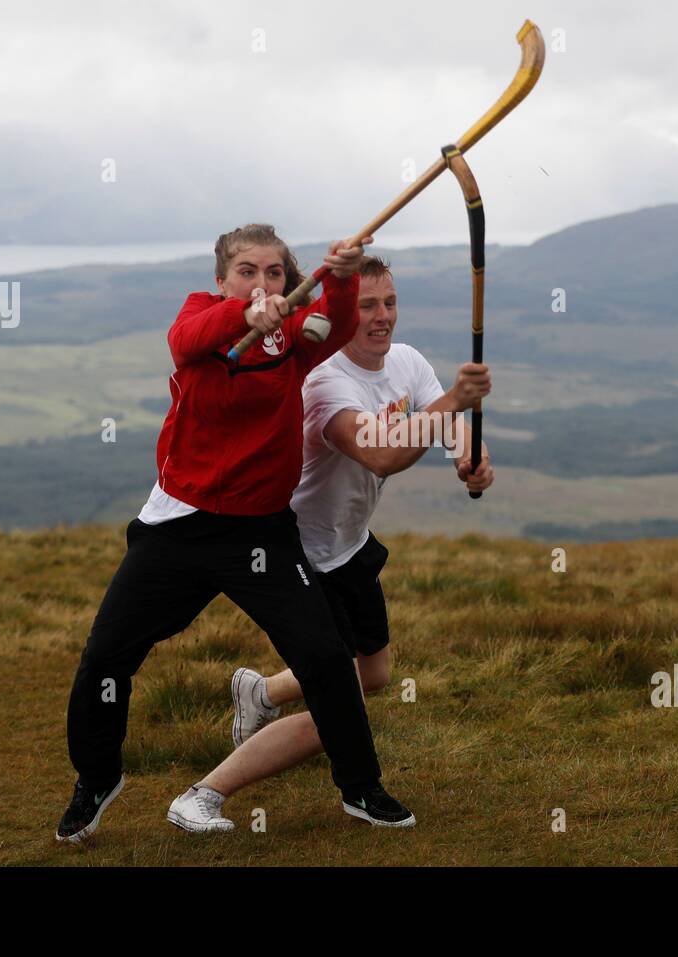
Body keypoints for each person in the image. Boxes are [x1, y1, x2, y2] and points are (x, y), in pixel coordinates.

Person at [58, 225, 416, 843]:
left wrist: (343, 272)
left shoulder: (296, 339)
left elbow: (332, 315)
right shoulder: (203, 316)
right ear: (222, 278)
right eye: (247, 271)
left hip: (261, 533)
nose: (262, 282)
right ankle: (96, 778)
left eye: (274, 273)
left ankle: (361, 788)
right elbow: (186, 339)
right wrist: (244, 312)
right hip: (179, 524)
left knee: (328, 659)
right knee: (107, 657)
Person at [165, 255, 494, 831]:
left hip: (349, 544)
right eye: (366, 305)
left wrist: (468, 453)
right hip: (299, 556)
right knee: (338, 709)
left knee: (375, 673)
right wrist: (451, 407)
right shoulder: (324, 380)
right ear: (341, 312)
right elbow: (380, 451)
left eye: (389, 302)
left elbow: (446, 424)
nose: (381, 316)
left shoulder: (409, 362)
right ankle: (204, 794)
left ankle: (260, 692)